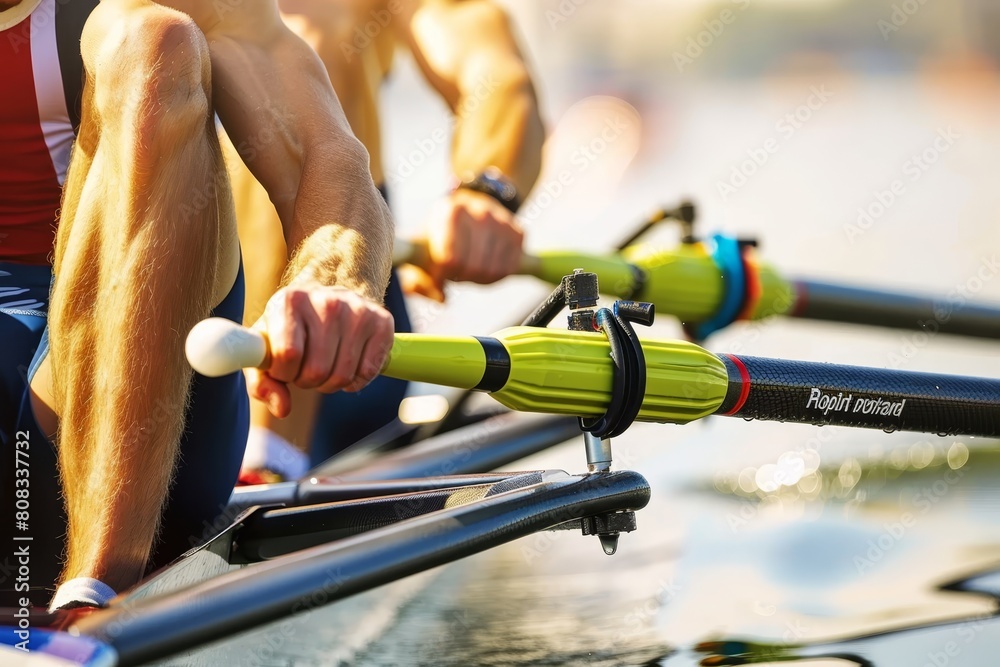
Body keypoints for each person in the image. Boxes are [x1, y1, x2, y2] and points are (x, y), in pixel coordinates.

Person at [0, 0, 396, 615]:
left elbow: (327, 155)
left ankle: (100, 586)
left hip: (103, 382)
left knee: (156, 42)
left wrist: (330, 281)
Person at [234, 0, 545, 478]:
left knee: (304, 40)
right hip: (157, 302)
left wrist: (486, 191)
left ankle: (268, 460)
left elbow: (492, 68)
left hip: (343, 337)